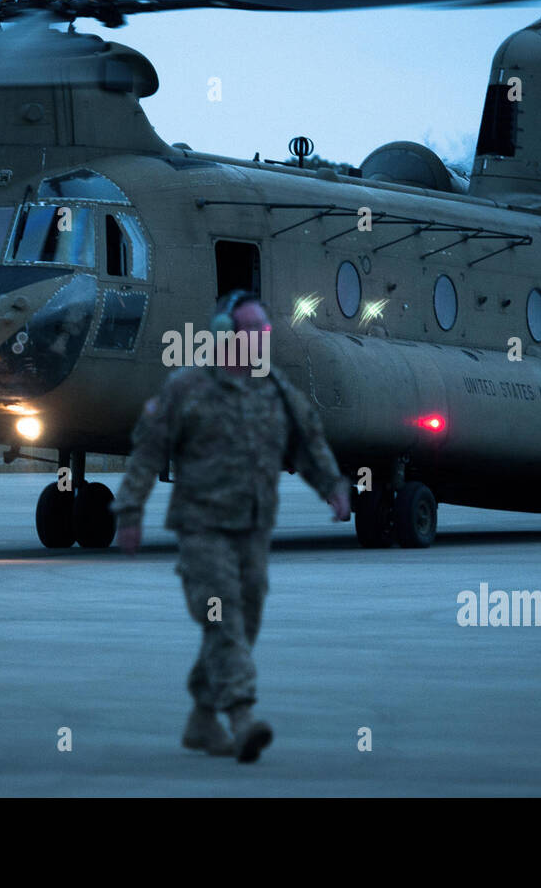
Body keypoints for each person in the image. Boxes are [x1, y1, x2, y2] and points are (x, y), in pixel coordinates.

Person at [114, 291, 351, 762]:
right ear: (225, 335)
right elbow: (149, 451)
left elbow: (308, 444)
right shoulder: (188, 388)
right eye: (254, 330)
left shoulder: (276, 389)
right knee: (222, 617)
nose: (264, 337)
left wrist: (333, 486)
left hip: (254, 529)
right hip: (202, 528)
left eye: (265, 329)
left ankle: (202, 721)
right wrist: (129, 512)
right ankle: (242, 718)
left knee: (245, 622)